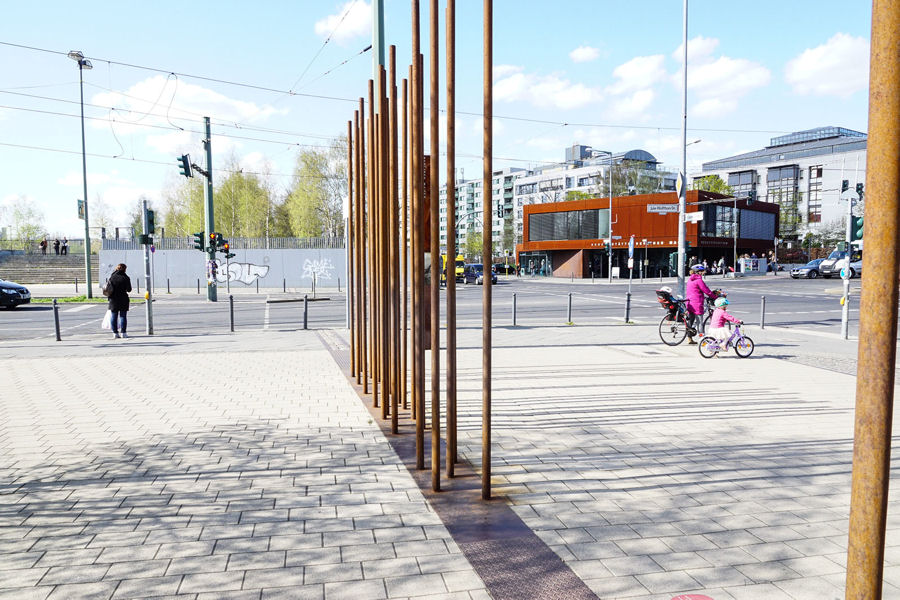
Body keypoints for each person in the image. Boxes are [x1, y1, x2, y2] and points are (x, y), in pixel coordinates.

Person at [685, 264, 717, 344]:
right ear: (698, 272)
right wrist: (715, 297)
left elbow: (695, 291)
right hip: (697, 303)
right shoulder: (699, 280)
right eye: (702, 271)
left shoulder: (690, 279)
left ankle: (689, 338)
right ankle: (702, 339)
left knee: (691, 321)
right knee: (700, 322)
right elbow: (706, 291)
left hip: (689, 303)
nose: (704, 272)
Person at [106, 263, 132, 339]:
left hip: (113, 299)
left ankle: (115, 333)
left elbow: (108, 287)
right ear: (124, 269)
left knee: (114, 316)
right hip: (123, 298)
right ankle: (123, 333)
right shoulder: (126, 278)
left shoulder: (112, 277)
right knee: (123, 316)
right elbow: (129, 289)